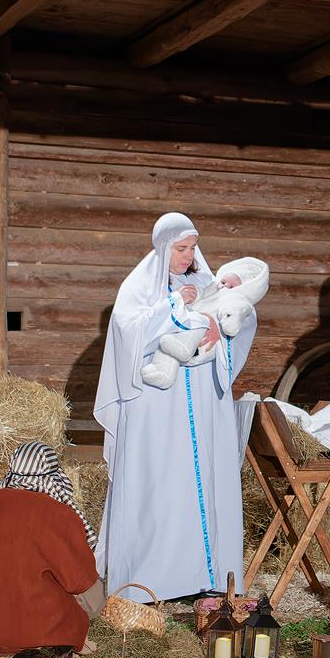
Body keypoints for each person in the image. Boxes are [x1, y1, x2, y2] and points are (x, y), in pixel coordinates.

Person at [95, 213, 257, 600]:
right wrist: (171, 305)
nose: (188, 255)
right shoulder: (139, 285)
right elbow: (126, 330)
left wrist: (222, 330)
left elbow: (236, 315)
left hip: (201, 403)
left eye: (192, 247)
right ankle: (153, 578)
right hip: (157, 407)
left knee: (198, 480)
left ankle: (203, 577)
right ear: (164, 247)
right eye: (181, 248)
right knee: (161, 484)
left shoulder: (204, 281)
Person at [0, 441, 102, 658]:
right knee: (93, 595)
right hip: (43, 627)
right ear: (53, 475)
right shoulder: (59, 516)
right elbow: (80, 581)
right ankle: (47, 649)